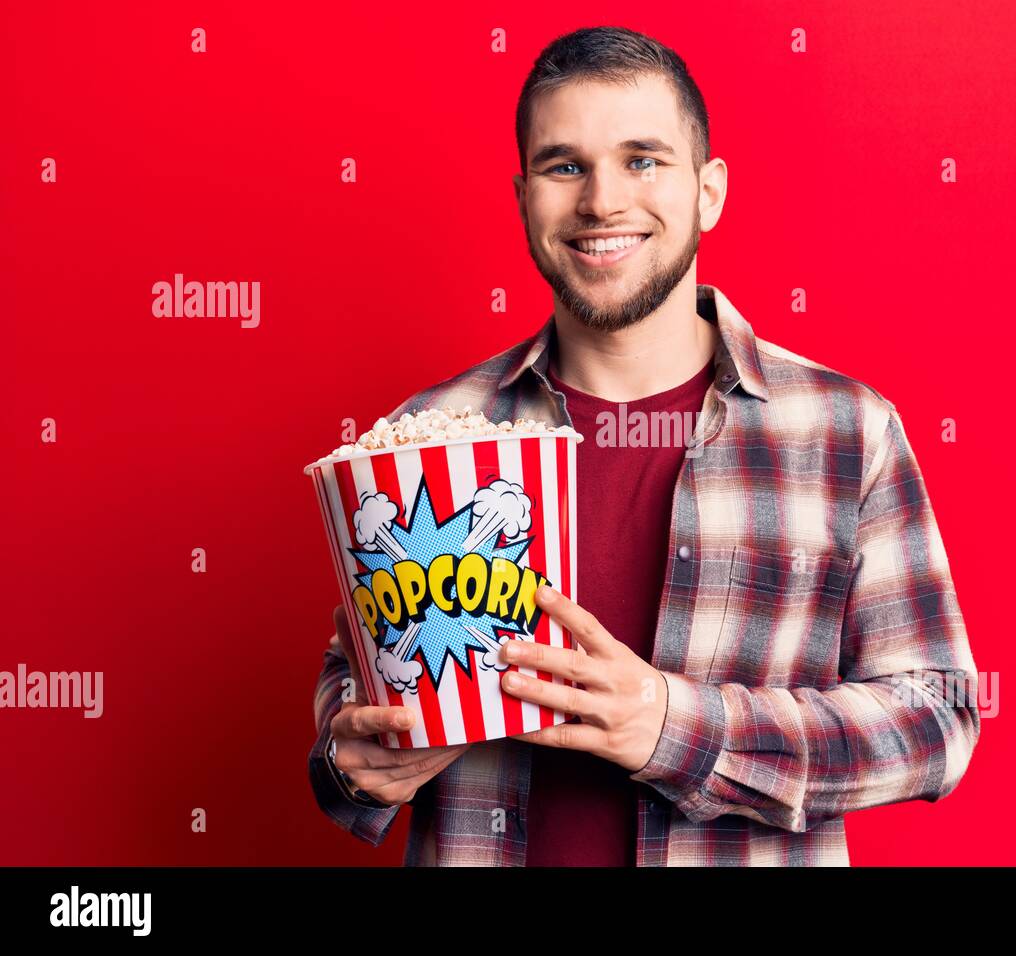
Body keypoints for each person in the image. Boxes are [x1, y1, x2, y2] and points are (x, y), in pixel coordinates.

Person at [308, 25, 980, 867]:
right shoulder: (430, 434)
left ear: (708, 192)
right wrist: (352, 765)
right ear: (523, 199)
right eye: (565, 167)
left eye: (642, 160)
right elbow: (356, 691)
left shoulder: (845, 432)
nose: (601, 202)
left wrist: (673, 726)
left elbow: (937, 717)